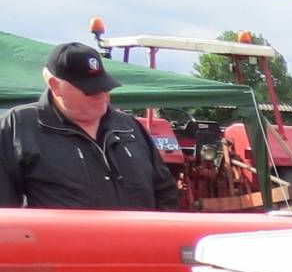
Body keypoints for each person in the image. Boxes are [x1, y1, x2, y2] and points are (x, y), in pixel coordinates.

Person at [0, 43, 180, 210]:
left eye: (104, 87)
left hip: (138, 243)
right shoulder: (19, 127)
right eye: (90, 90)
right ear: (56, 86)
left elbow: (165, 192)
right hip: (60, 244)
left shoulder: (129, 127)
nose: (101, 95)